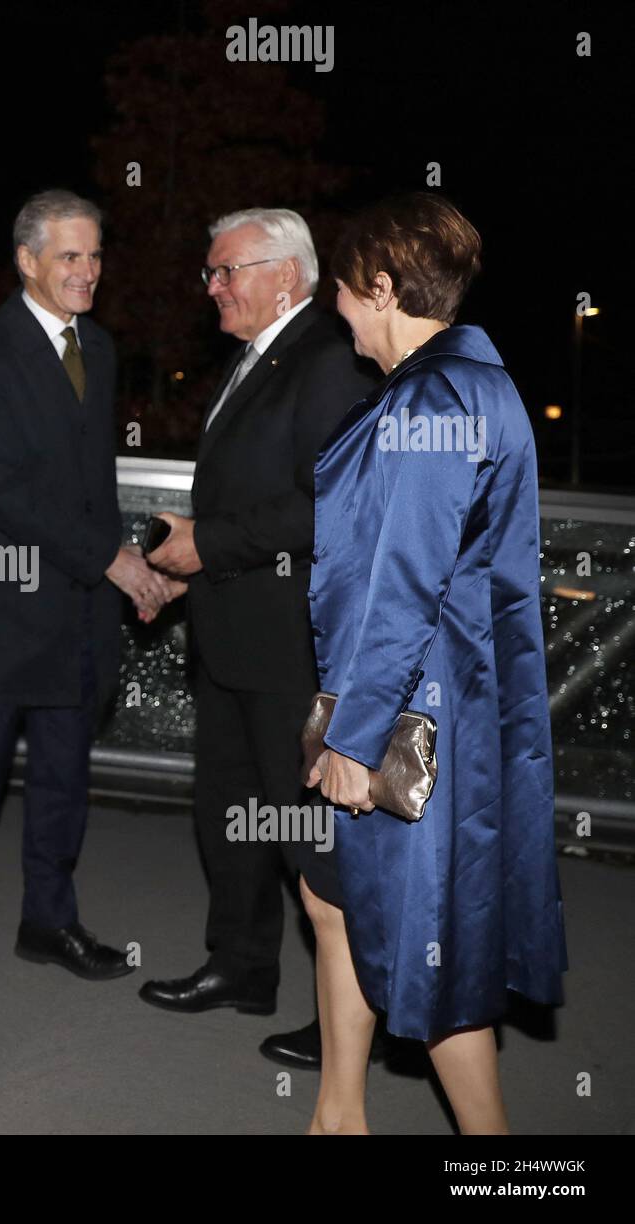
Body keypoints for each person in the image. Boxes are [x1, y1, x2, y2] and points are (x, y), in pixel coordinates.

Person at [304, 192, 567, 1133]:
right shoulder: (486, 385)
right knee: (328, 887)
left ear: (381, 288)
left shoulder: (430, 398)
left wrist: (355, 734)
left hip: (416, 712)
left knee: (433, 946)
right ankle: (339, 1114)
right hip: (463, 699)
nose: (336, 315)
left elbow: (401, 584)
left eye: (341, 291)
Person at [0, 189, 178, 986]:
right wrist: (110, 559)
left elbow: (88, 485)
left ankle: (49, 922)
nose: (88, 270)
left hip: (79, 609)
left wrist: (136, 568)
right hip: (1, 609)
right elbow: (0, 490)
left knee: (67, 779)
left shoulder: (98, 349)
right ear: (27, 262)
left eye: (96, 255)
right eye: (70, 255)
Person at [141, 208, 374, 1069]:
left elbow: (333, 506)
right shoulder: (257, 357)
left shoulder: (326, 360)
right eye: (211, 272)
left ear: (287, 273)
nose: (212, 287)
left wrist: (211, 543)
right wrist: (186, 546)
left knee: (312, 832)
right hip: (235, 635)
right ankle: (240, 967)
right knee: (232, 814)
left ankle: (344, 1014)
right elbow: (259, 496)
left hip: (292, 645)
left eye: (225, 271)